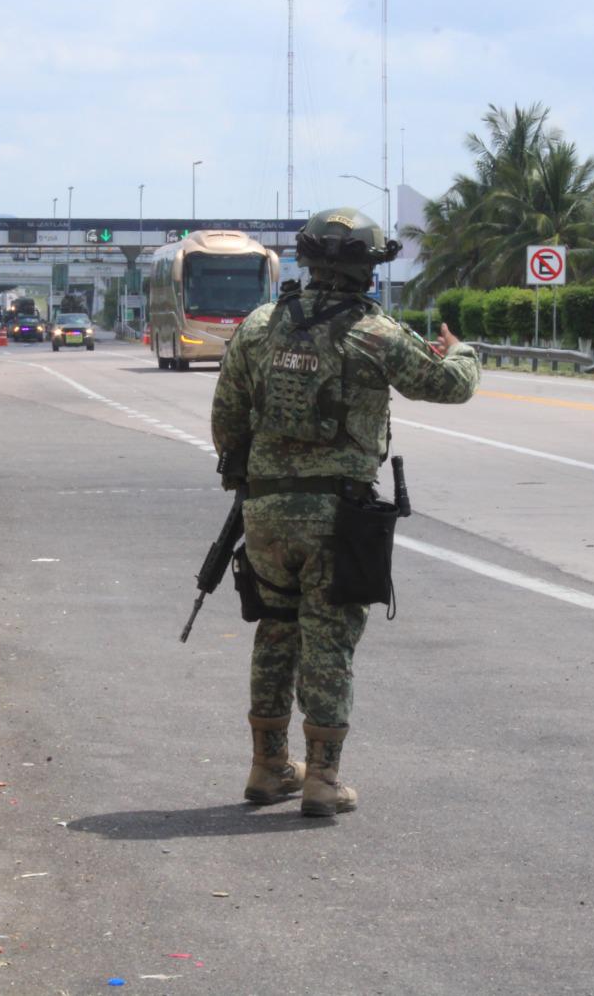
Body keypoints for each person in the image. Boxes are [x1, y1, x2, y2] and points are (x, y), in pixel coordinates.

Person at [210, 207, 480, 817]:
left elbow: (227, 416)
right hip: (337, 514)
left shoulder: (259, 324)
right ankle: (323, 780)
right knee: (329, 640)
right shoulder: (373, 331)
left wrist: (249, 481)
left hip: (265, 511)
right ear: (369, 268)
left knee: (275, 632)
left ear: (306, 260)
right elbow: (449, 385)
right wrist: (463, 352)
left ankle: (268, 766)